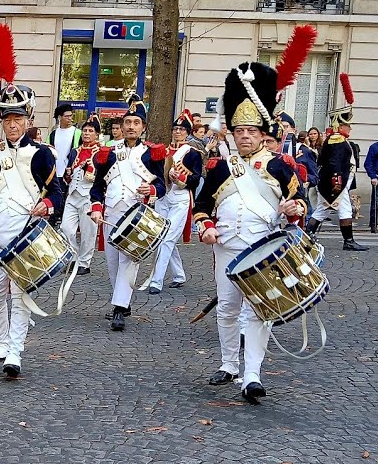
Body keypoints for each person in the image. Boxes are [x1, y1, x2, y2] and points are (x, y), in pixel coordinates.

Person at [194, 60, 308, 404]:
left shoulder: (279, 166)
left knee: (259, 311)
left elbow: (300, 204)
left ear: (262, 135)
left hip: (263, 250)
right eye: (239, 130)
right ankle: (229, 364)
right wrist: (206, 228)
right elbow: (201, 206)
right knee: (228, 309)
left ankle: (252, 375)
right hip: (226, 247)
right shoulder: (220, 168)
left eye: (251, 131)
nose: (244, 136)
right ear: (232, 133)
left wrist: (293, 210)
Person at [0, 32, 63, 378]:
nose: (12, 125)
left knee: (22, 292)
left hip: (26, 235)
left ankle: (16, 352)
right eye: (7, 119)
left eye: (18, 119)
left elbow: (60, 191)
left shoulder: (41, 155)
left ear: (28, 120)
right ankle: (2, 339)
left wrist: (49, 205)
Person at [88, 93, 167, 331]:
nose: (131, 126)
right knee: (113, 263)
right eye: (128, 122)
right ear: (122, 126)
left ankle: (119, 308)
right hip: (112, 213)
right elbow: (98, 186)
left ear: (143, 127)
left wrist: (151, 188)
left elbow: (162, 186)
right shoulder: (108, 153)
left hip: (138, 215)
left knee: (128, 262)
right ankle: (123, 300)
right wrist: (96, 207)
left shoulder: (152, 153)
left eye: (136, 123)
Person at [305, 73, 368, 251]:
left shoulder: (338, 138)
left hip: (336, 182)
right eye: (347, 125)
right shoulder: (337, 139)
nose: (350, 127)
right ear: (340, 126)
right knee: (343, 211)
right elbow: (334, 163)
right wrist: (337, 181)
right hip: (334, 182)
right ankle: (348, 241)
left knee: (322, 211)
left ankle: (308, 236)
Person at [147, 110, 205, 294]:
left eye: (181, 129)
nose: (178, 132)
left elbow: (197, 178)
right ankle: (179, 275)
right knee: (162, 236)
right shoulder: (163, 151)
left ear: (188, 132)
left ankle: (156, 280)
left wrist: (181, 177)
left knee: (168, 238)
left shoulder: (192, 152)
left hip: (180, 197)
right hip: (164, 196)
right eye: (175, 129)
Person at [60, 118, 102, 276]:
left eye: (91, 131)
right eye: (85, 130)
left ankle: (84, 262)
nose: (87, 133)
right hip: (72, 194)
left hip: (88, 195)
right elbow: (68, 173)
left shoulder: (100, 152)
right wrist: (68, 174)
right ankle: (73, 257)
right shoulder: (75, 151)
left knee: (88, 231)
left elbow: (100, 176)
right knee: (66, 228)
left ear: (97, 135)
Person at [48, 104, 80, 171]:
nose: (70, 118)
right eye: (66, 116)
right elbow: (47, 151)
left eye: (71, 115)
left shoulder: (78, 133)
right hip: (54, 172)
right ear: (60, 117)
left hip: (71, 172)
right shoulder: (53, 134)